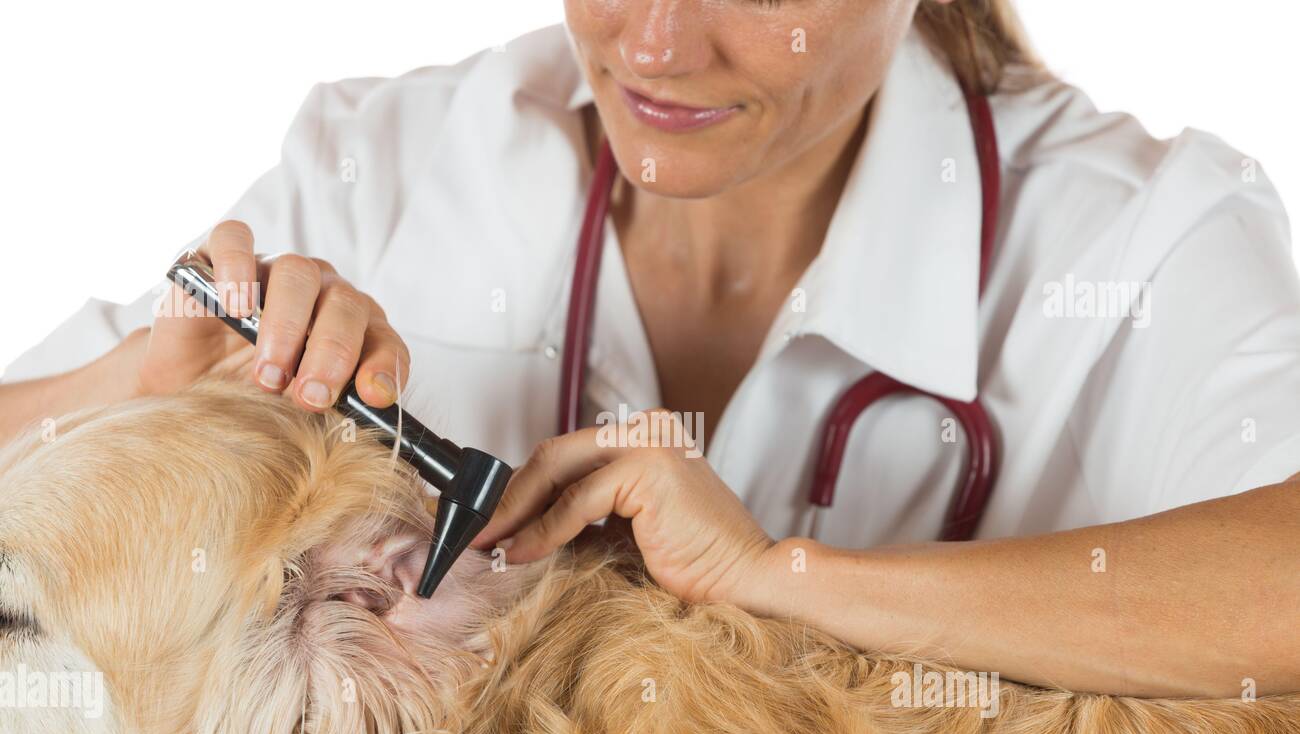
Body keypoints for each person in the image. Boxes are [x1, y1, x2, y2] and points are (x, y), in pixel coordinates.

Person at [3, 1, 1298, 697]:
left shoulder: (1146, 238)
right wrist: (132, 392)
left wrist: (790, 582)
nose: (658, 45)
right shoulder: (391, 164)